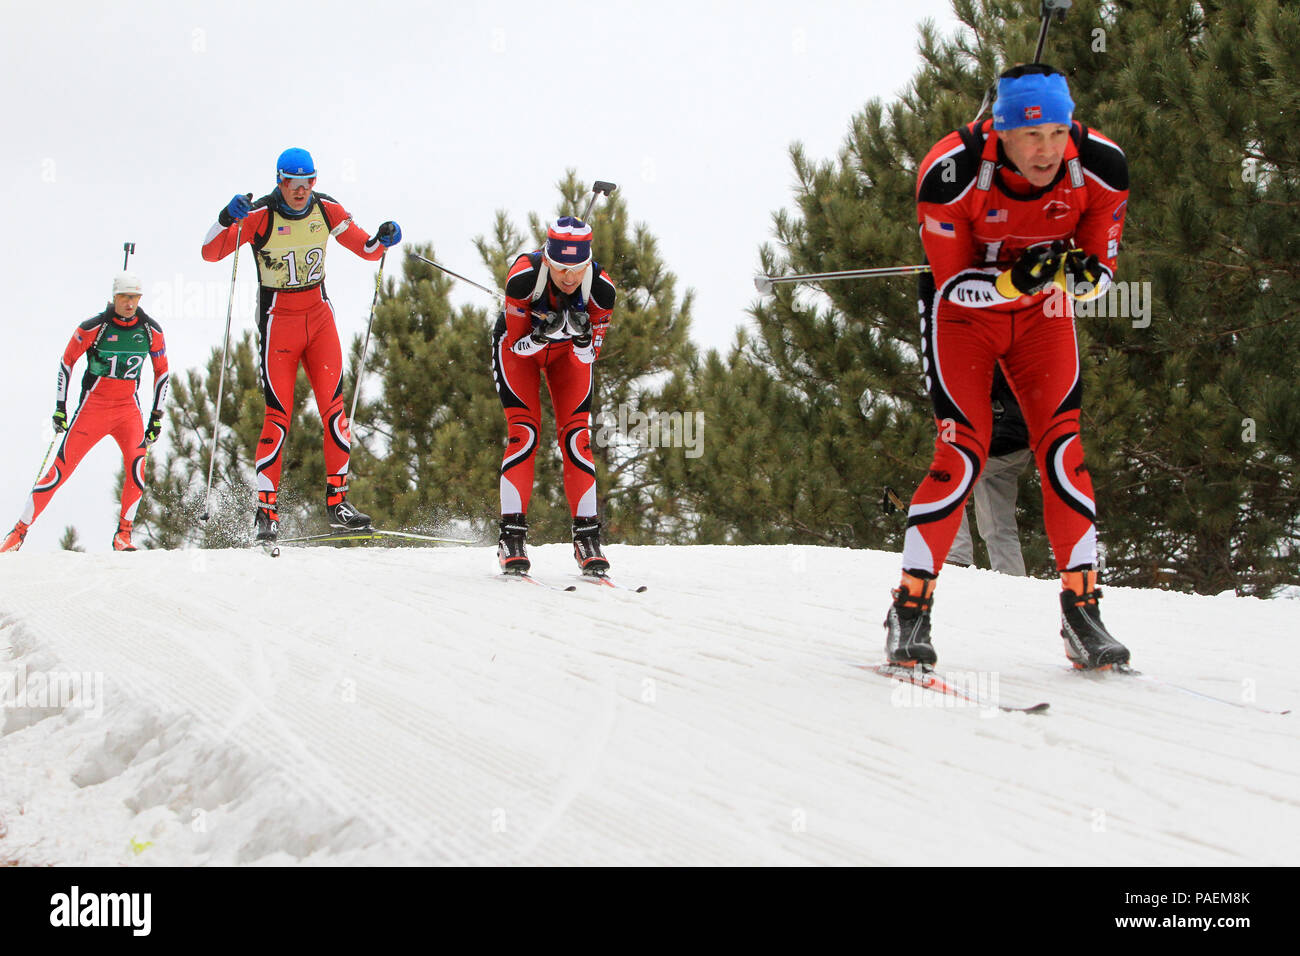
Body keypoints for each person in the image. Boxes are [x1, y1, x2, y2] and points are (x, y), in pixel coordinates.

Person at [884, 64, 1131, 670]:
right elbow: (953, 287)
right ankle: (909, 610)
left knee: (1063, 449)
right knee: (962, 452)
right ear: (1000, 132)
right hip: (966, 315)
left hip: (1044, 314)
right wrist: (1012, 280)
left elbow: (1100, 272)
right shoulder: (951, 174)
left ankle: (1083, 612)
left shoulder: (1101, 164)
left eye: (1056, 131)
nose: (1047, 149)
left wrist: (1082, 277)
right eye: (1031, 135)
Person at [200, 147, 401, 544]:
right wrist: (225, 218)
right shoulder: (259, 214)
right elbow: (210, 252)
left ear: (314, 181)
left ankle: (339, 504)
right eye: (293, 182)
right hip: (280, 324)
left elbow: (366, 249)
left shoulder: (326, 210)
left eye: (307, 181)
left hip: (319, 318)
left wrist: (384, 237)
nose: (300, 190)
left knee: (335, 412)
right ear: (280, 181)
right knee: (278, 416)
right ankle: (267, 511)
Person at [2, 273, 168, 553]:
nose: (130, 304)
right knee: (58, 472)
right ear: (114, 297)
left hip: (128, 409)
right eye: (125, 297)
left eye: (135, 298)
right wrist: (60, 408)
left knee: (137, 468)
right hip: (94, 408)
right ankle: (18, 533)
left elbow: (162, 372)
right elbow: (67, 362)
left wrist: (156, 417)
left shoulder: (151, 330)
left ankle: (123, 535)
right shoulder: (95, 327)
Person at [491, 217, 617, 574]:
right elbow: (518, 346)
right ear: (547, 258)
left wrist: (578, 339)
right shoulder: (523, 277)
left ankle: (587, 539)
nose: (568, 277)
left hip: (567, 358)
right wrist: (544, 333)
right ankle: (511, 538)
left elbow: (589, 355)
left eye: (576, 269)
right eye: (561, 268)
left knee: (577, 439)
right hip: (519, 352)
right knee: (525, 434)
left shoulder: (602, 289)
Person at [947, 366, 1032, 575]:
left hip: (999, 437)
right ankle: (1012, 582)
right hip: (1021, 442)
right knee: (999, 522)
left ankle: (955, 558)